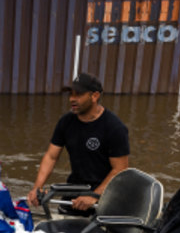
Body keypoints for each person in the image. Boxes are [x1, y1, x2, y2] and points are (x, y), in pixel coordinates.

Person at [26, 73, 130, 211]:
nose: (72, 99)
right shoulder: (66, 122)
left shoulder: (115, 127)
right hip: (75, 190)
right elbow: (51, 156)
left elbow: (120, 170)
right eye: (71, 94)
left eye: (78, 95)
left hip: (105, 194)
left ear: (94, 96)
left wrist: (94, 196)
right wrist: (37, 187)